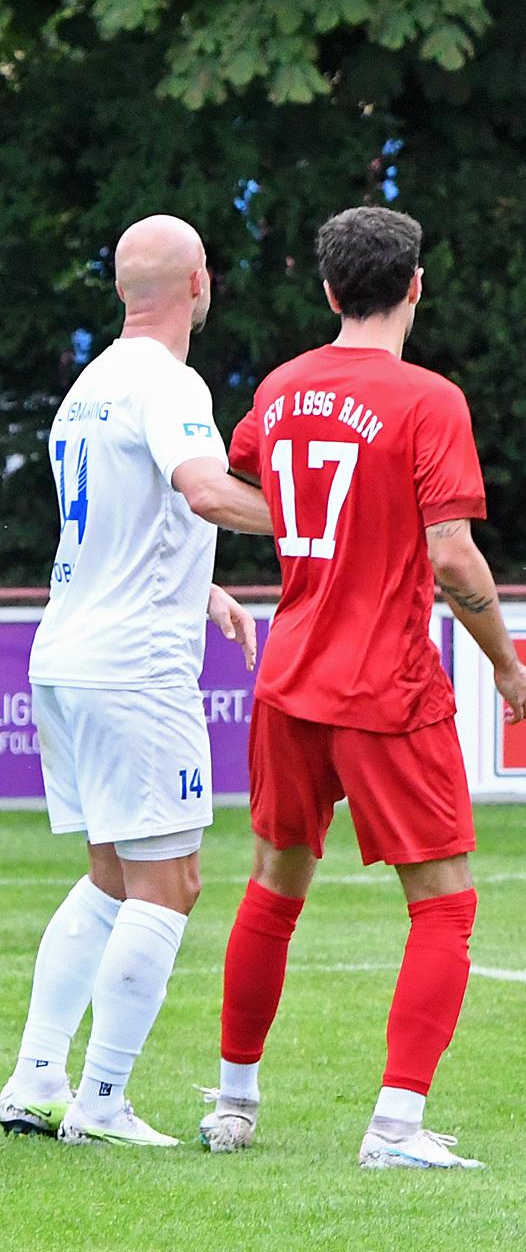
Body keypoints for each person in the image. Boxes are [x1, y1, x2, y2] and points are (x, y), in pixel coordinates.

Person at [201, 206, 526, 1170]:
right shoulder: (429, 398)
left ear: (328, 290)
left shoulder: (282, 385)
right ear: (416, 285)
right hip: (386, 682)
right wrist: (507, 662)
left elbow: (241, 486)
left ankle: (232, 1103)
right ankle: (394, 1126)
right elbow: (453, 557)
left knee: (273, 887)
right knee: (444, 903)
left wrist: (321, 526)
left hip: (290, 675)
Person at [0, 216, 270, 1147]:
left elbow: (124, 521)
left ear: (123, 289)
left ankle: (35, 1078)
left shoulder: (87, 387)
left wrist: (203, 588)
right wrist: (322, 518)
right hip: (133, 668)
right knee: (171, 882)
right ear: (199, 282)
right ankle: (103, 1102)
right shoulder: (170, 381)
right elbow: (203, 488)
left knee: (112, 877)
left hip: (67, 654)